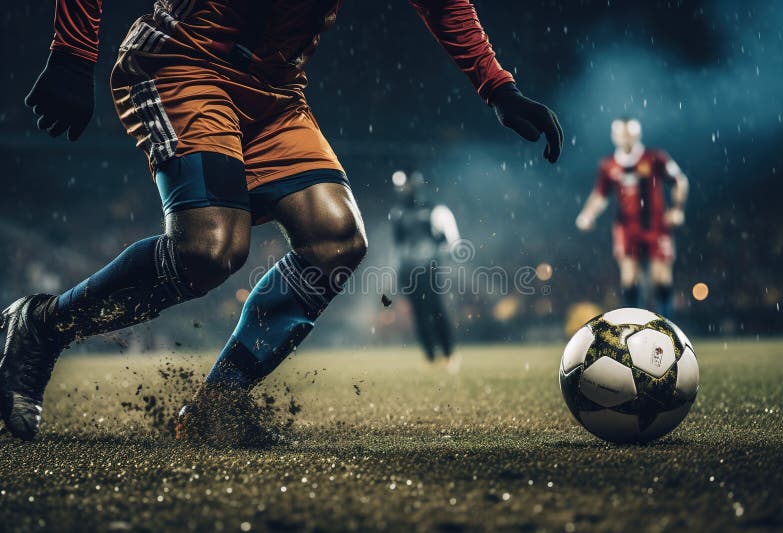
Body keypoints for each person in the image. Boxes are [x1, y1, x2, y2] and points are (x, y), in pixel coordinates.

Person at [1, 0, 563, 441]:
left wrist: (498, 85)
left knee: (337, 241)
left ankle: (214, 407)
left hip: (275, 93)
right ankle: (41, 325)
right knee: (211, 249)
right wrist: (73, 52)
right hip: (184, 61)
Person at [576, 118, 688, 318]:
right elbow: (600, 195)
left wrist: (677, 208)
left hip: (656, 224)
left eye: (630, 133)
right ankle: (633, 326)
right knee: (629, 279)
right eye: (622, 133)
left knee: (661, 278)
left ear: (638, 135)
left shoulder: (655, 158)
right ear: (614, 136)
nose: (626, 137)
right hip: (626, 227)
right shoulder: (608, 165)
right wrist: (588, 213)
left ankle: (668, 328)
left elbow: (679, 180)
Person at [389, 172, 459, 367]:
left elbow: (451, 240)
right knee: (419, 313)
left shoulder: (435, 209)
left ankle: (448, 353)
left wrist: (440, 255)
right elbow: (398, 246)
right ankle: (429, 355)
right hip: (409, 270)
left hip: (430, 268)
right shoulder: (398, 213)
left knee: (437, 310)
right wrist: (399, 271)